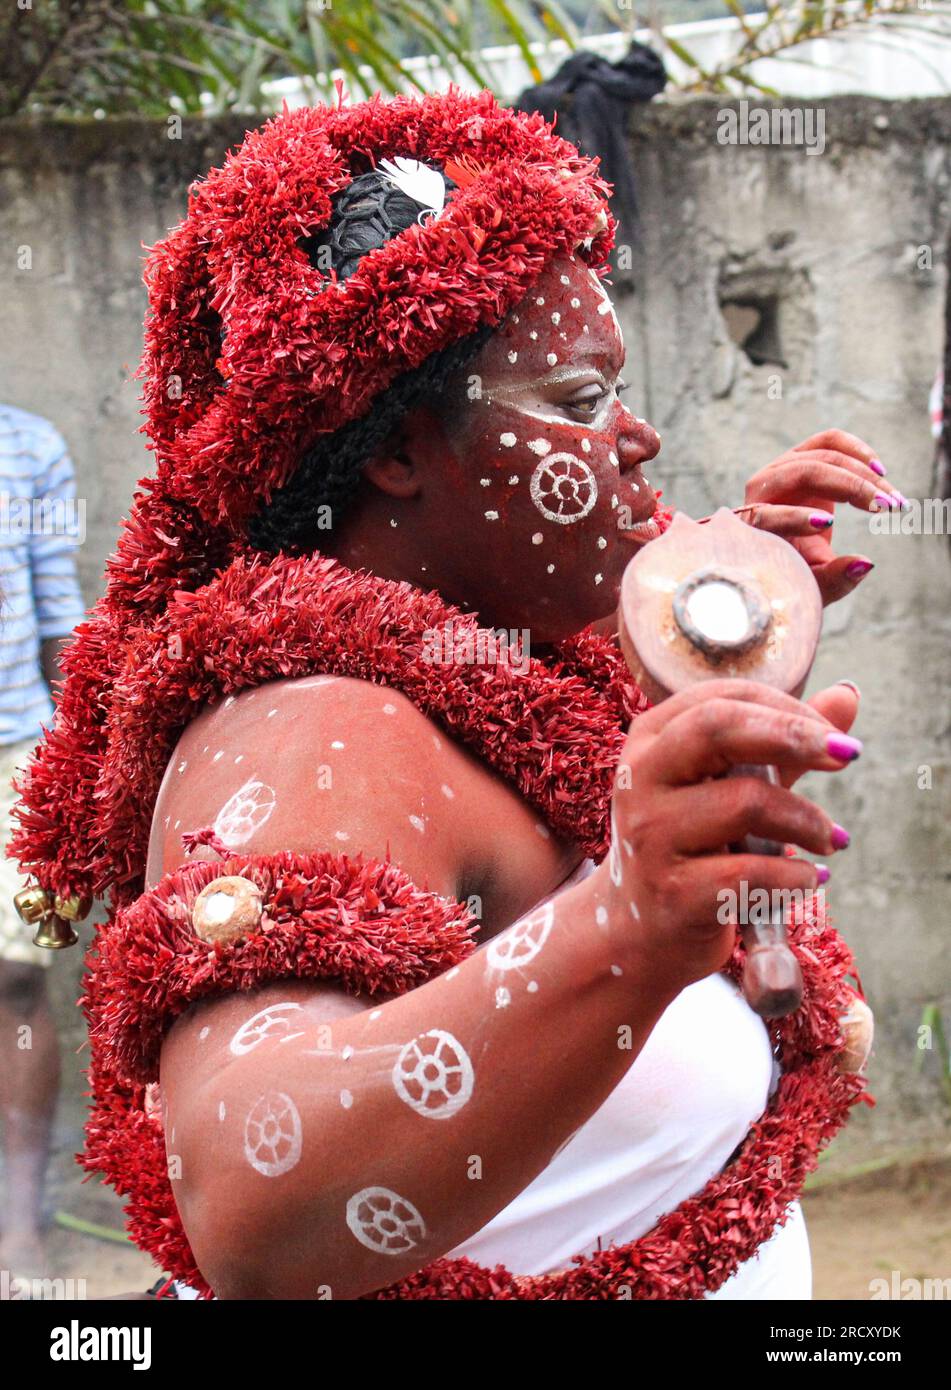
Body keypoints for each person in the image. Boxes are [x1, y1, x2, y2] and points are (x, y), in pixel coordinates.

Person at [12, 91, 892, 1300]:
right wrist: (627, 927)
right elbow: (251, 1209)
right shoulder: (317, 719)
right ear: (396, 452)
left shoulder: (518, 669)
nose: (635, 439)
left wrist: (711, 625)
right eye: (580, 403)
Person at [0, 403, 84, 1283]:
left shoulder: (30, 443)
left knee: (18, 977)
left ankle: (16, 1225)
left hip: (15, 745)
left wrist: (82, 761)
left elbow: (56, 602)